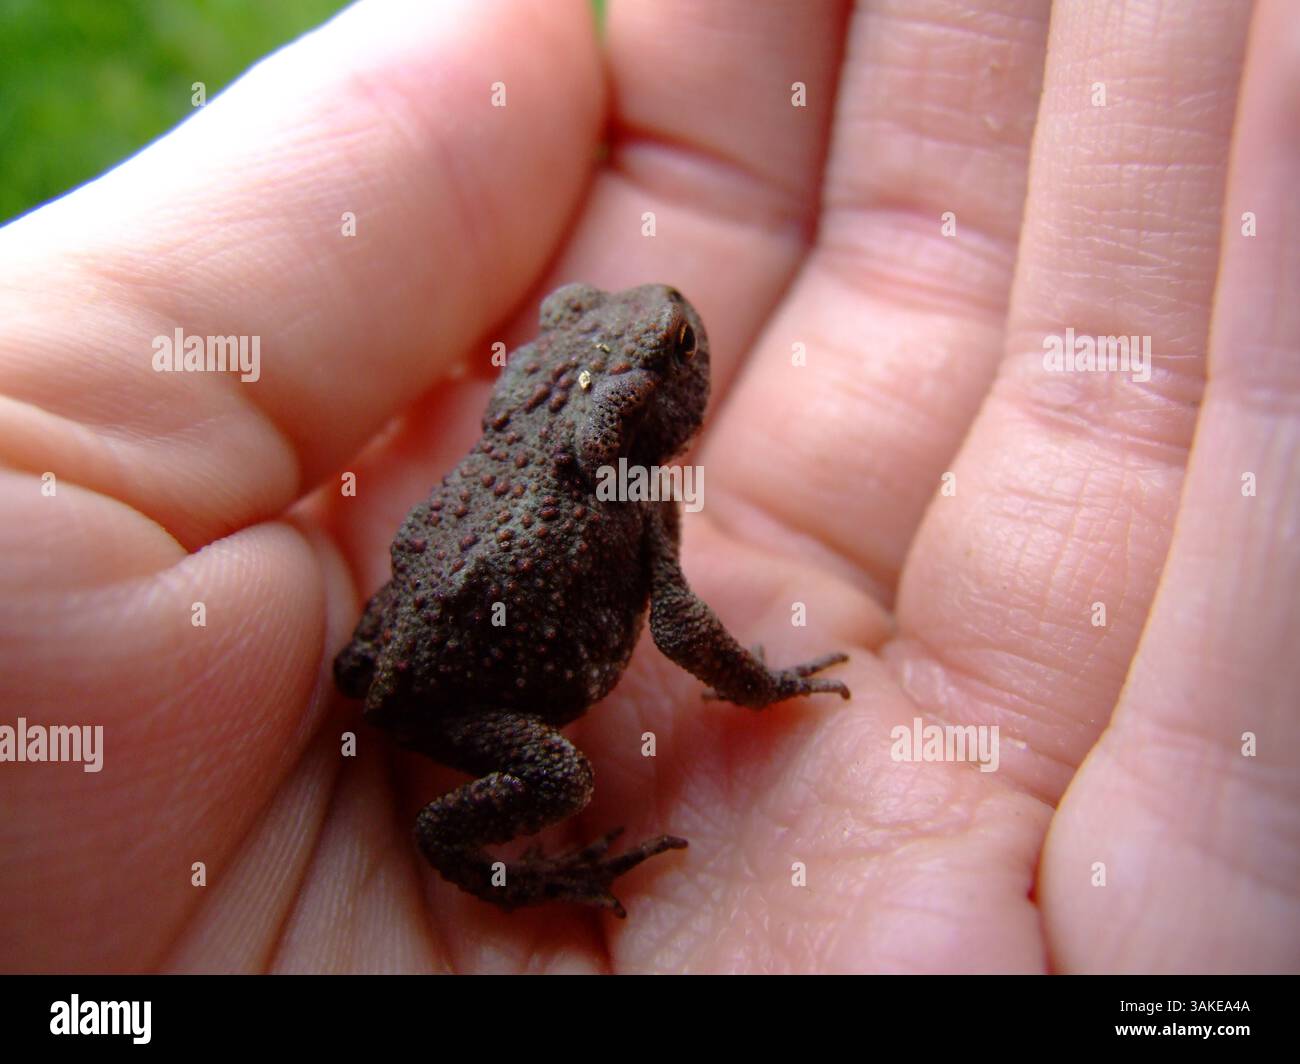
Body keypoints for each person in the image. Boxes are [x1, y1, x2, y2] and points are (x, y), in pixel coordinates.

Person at [0, 0, 1295, 973]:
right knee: (556, 787)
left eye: (669, 345)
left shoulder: (607, 478)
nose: (677, 330)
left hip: (407, 627)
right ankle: (494, 877)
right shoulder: (624, 494)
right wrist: (771, 692)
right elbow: (678, 628)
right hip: (457, 680)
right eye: (667, 354)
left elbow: (656, 612)